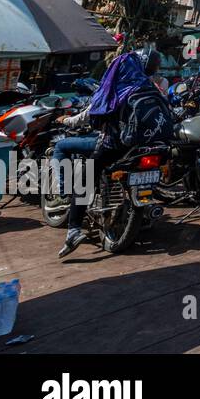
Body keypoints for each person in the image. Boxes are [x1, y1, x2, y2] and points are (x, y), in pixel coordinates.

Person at [54, 53, 170, 258]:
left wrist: (67, 120)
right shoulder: (150, 87)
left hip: (115, 146)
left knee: (85, 177)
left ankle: (73, 230)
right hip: (148, 147)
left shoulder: (115, 89)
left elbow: (90, 117)